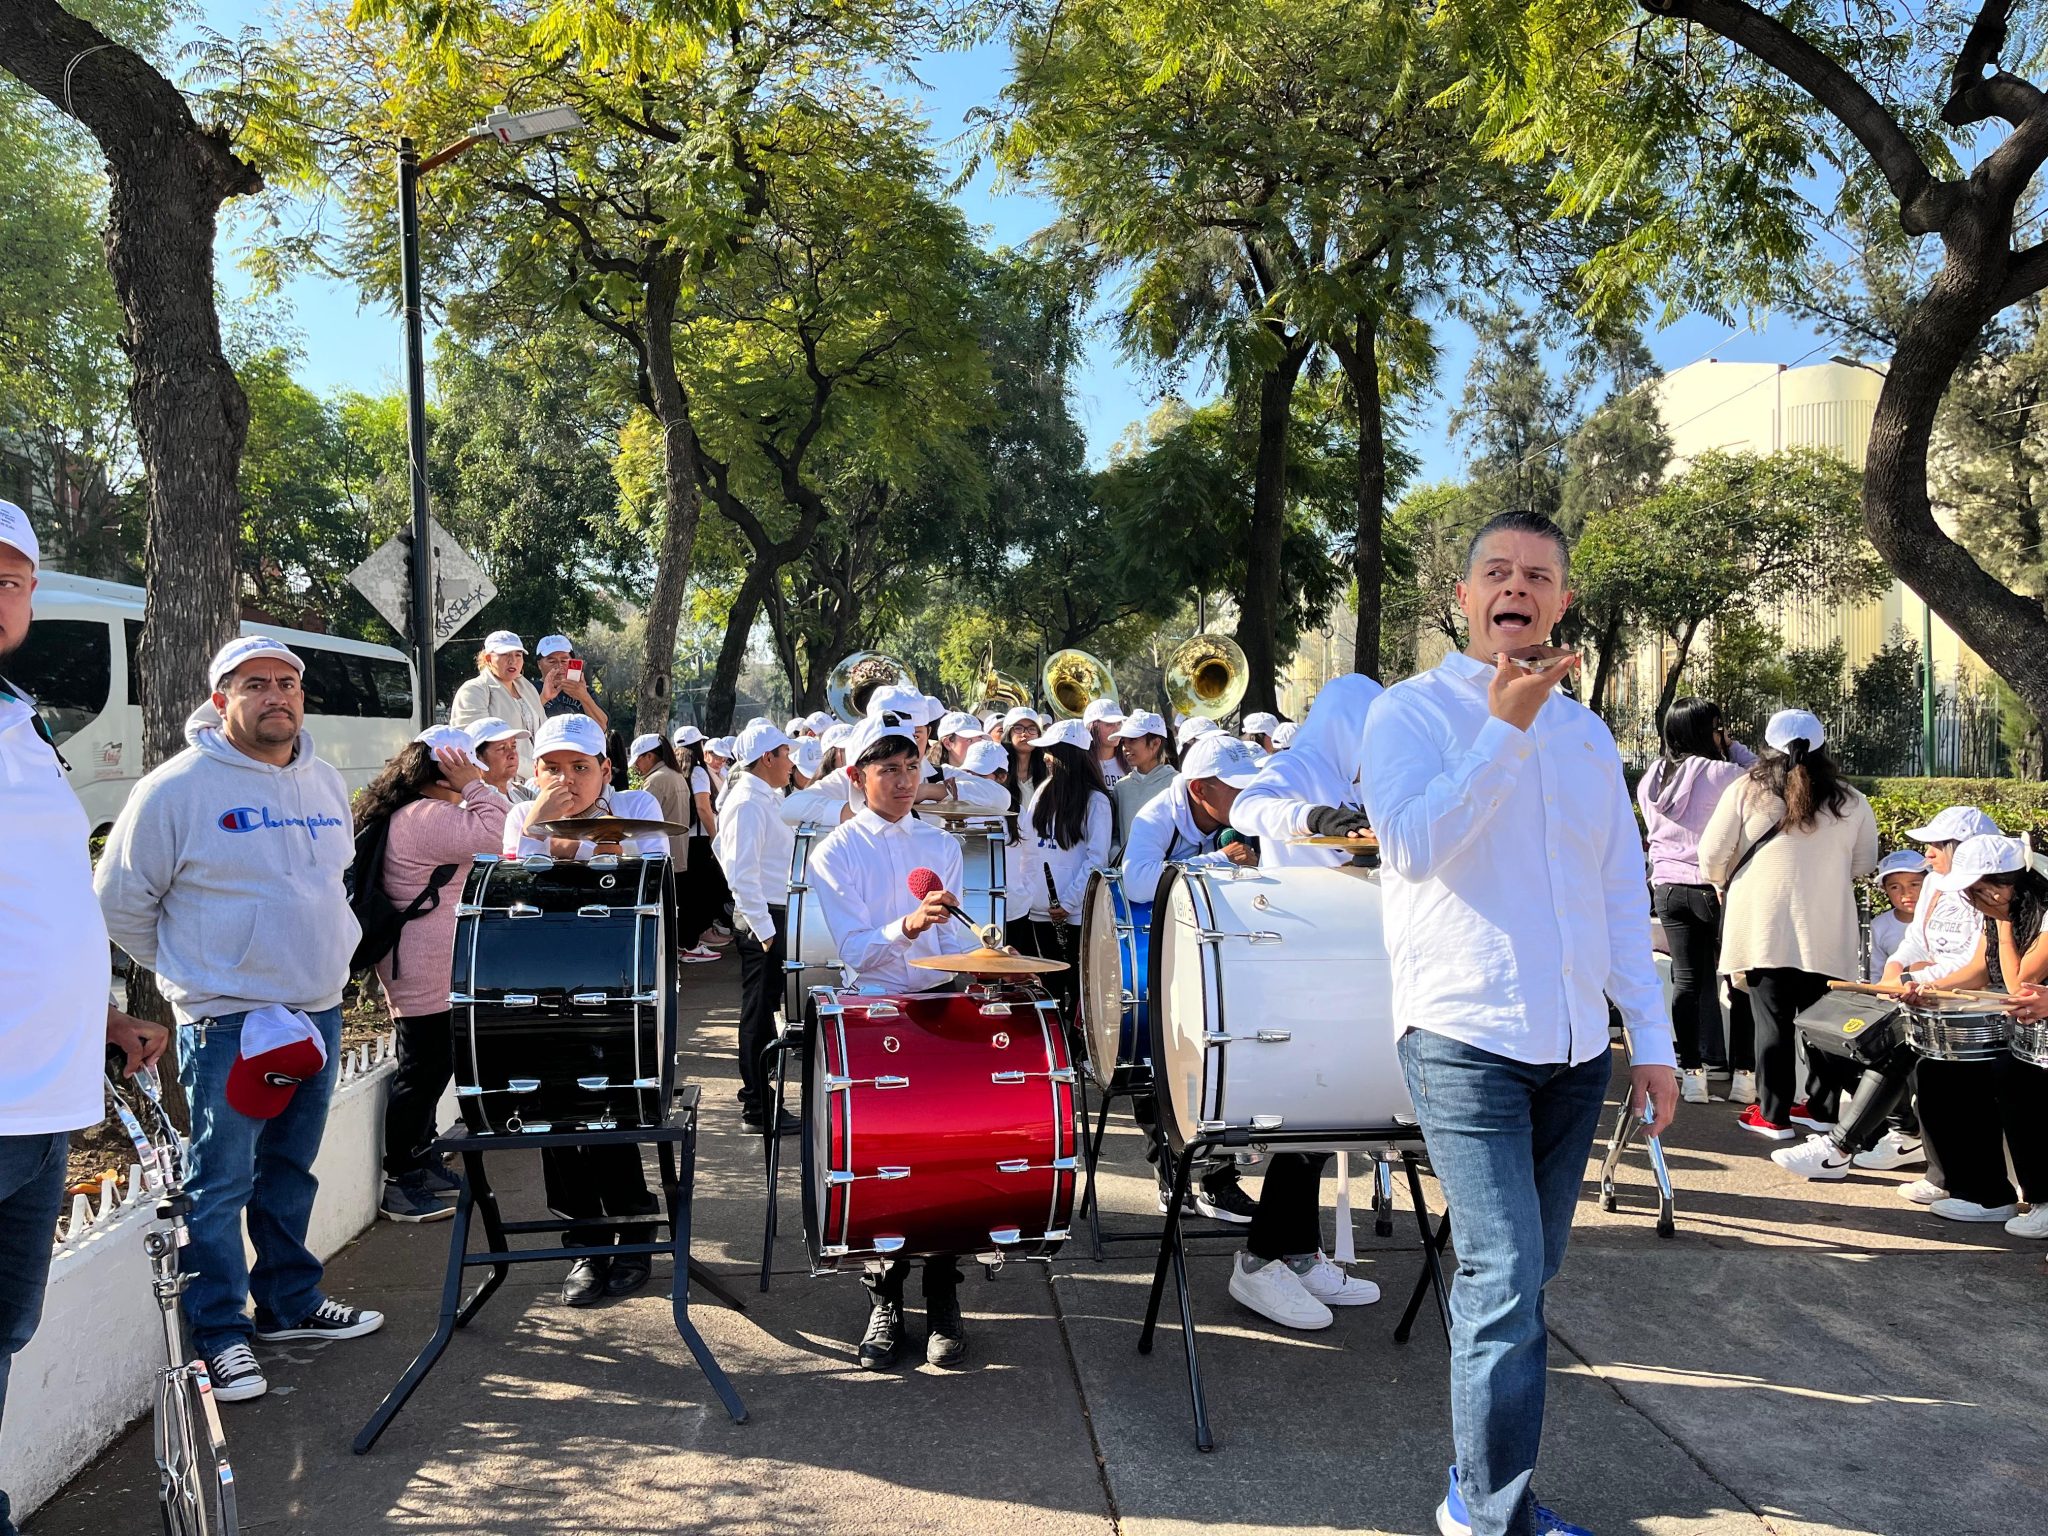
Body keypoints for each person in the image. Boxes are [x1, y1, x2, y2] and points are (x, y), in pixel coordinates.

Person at [1362, 510, 1677, 1536]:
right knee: (1503, 1277)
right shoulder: (1409, 715)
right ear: (1462, 598)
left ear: (1561, 600)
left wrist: (1651, 1043)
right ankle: (1486, 1513)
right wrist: (1502, 727)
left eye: (1535, 576)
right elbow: (1409, 848)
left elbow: (1618, 893)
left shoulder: (1589, 736)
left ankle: (1475, 1476)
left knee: (1527, 1275)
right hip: (1464, 1037)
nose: (1515, 588)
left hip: (1574, 1050)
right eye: (1494, 572)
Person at [97, 635, 385, 1404]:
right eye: (255, 683)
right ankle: (219, 1335)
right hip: (230, 1025)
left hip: (317, 1011)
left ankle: (289, 1304)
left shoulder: (324, 781)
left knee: (290, 1169)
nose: (276, 696)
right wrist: (202, 971)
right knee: (220, 1183)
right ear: (221, 697)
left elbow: (332, 882)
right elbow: (119, 904)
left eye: (288, 682)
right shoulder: (176, 789)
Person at [0, 502, 167, 1535]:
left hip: (44, 1092)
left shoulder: (20, 717)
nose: (1, 594)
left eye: (15, 577)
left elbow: (40, 895)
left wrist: (100, 1012)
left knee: (7, 1333)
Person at [807, 713, 976, 1370]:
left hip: (937, 1009)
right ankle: (884, 1298)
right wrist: (907, 924)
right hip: (875, 1016)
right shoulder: (837, 851)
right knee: (884, 1166)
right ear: (856, 776)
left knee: (944, 1159)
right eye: (888, 770)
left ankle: (943, 1298)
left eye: (911, 768)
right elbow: (854, 950)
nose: (904, 782)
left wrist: (987, 952)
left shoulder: (941, 844)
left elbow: (956, 939)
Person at [1221, 674, 1386, 1328]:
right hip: (1292, 963)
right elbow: (1248, 810)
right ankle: (1259, 1262)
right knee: (1306, 1121)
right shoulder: (1294, 768)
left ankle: (1295, 1251)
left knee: (1328, 1123)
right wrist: (1310, 818)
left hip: (1342, 965)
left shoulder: (1354, 778)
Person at [502, 713, 666, 1305]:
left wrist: (599, 847)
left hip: (618, 985)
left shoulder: (638, 811)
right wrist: (546, 825)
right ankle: (583, 1241)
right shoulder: (524, 814)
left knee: (611, 1107)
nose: (566, 779)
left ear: (606, 770)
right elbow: (513, 886)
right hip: (543, 987)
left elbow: (653, 884)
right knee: (553, 1112)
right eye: (551, 767)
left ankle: (633, 1227)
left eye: (580, 767)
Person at [1699, 709, 1877, 1142]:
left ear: (1767, 746)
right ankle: (1821, 1108)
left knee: (1772, 1023)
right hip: (1826, 930)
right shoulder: (1851, 800)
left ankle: (1773, 1114)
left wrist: (1726, 881)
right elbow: (1864, 864)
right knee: (1822, 1025)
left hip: (1763, 927)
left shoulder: (1746, 790)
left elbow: (1711, 855)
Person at [358, 727, 510, 1222]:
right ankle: (401, 1179)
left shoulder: (417, 813)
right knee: (422, 1071)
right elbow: (497, 832)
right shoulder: (427, 817)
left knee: (429, 1064)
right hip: (423, 962)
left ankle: (420, 1161)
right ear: (444, 768)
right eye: (466, 766)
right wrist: (474, 786)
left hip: (424, 957)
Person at [1118, 732, 1269, 1225]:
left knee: (1226, 1063)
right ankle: (1171, 1173)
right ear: (1201, 788)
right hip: (1162, 952)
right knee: (1162, 1063)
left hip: (1222, 953)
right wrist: (1214, 862)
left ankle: (1220, 1179)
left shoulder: (1245, 815)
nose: (1247, 797)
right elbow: (1138, 880)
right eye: (1236, 788)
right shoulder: (1155, 816)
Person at [1881, 834, 2048, 1227]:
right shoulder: (2001, 910)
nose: (1971, 898)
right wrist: (1929, 989)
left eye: (1976, 889)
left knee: (2012, 1077)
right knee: (1938, 1068)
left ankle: (2037, 1199)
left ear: (2004, 886)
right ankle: (1978, 1191)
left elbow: (2018, 981)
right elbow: (1979, 967)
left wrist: (2003, 924)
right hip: (2028, 1028)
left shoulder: (2036, 910)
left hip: (2034, 1038)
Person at [1871, 806, 2004, 1199]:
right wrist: (1895, 971)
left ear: (1961, 849)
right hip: (1931, 999)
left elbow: (1978, 964)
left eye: (1935, 846)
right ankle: (1942, 1176)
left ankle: (1843, 1144)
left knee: (1938, 1078)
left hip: (1978, 1011)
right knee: (1917, 1073)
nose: (1927, 854)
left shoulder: (1985, 889)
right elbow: (1915, 942)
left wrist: (1918, 978)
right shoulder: (1934, 883)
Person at [1637, 698, 1759, 1106]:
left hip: (1668, 889)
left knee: (1687, 981)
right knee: (1739, 979)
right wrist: (1735, 746)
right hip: (1719, 887)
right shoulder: (1725, 773)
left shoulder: (1651, 778)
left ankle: (1693, 1075)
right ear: (1709, 731)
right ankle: (1744, 1076)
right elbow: (1770, 779)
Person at [711, 720, 800, 1134]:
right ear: (767, 757)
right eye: (785, 754)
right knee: (758, 1013)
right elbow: (739, 871)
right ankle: (756, 1106)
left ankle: (761, 1101)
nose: (790, 762)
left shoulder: (763, 794)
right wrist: (764, 929)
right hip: (762, 916)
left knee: (765, 1010)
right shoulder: (748, 800)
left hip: (771, 912)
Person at [1022, 720, 1114, 1020]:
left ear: (1066, 755)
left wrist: (1068, 901)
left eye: (1051, 751)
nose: (1045, 757)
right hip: (1039, 909)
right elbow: (1029, 844)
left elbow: (1095, 859)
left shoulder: (1096, 801)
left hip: (1072, 914)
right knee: (1046, 986)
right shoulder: (1044, 790)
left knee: (1075, 987)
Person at [449, 631, 546, 777]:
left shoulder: (528, 688)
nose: (512, 660)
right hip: (497, 781)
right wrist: (534, 771)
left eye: (518, 655)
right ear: (488, 658)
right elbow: (474, 745)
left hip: (535, 779)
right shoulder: (474, 690)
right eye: (505, 654)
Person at [1109, 710, 1174, 851]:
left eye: (1132, 740)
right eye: (1123, 742)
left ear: (1155, 743)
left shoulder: (1176, 784)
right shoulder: (1121, 787)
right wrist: (1118, 857)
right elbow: (1115, 834)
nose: (1126, 748)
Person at [1869, 851, 1928, 980]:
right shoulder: (1878, 926)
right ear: (1884, 889)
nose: (1906, 893)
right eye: (1895, 887)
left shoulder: (1943, 918)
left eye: (1914, 884)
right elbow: (1876, 973)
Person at [534, 634, 609, 730]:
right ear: (539, 664)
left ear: (572, 662)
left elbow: (602, 726)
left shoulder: (583, 690)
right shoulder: (530, 690)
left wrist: (584, 696)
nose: (559, 666)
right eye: (552, 661)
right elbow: (521, 722)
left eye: (564, 661)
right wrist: (543, 698)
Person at [466, 716, 534, 802]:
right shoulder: (478, 803)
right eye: (502, 748)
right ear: (476, 757)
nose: (512, 755)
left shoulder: (521, 792)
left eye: (513, 746)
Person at [1082, 698, 1127, 786]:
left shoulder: (1130, 763)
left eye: (1119, 723)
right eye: (1109, 724)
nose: (1117, 729)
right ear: (1093, 727)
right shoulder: (1081, 764)